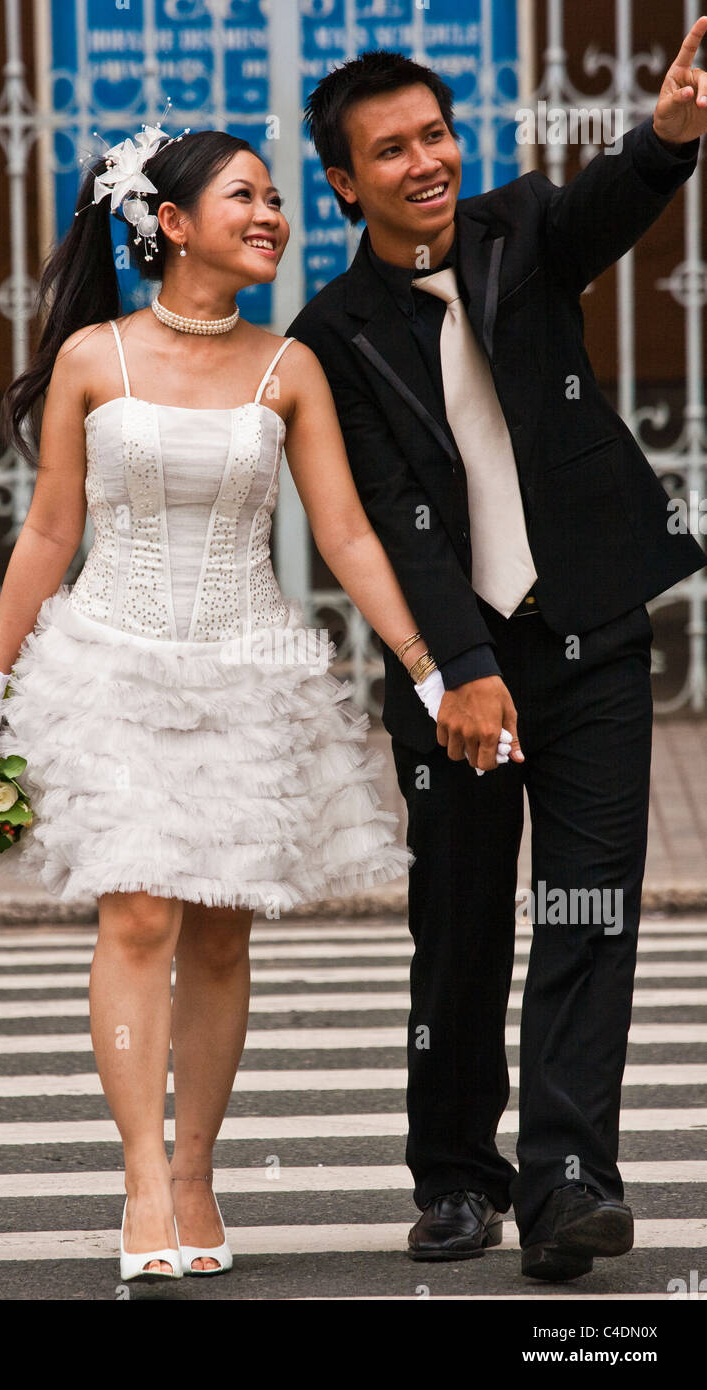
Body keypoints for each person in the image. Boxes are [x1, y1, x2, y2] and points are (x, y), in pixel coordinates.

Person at [0, 126, 508, 1283]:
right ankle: (143, 1180)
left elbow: (345, 532)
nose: (272, 215)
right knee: (139, 913)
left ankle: (196, 1171)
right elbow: (51, 528)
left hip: (248, 665)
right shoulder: (93, 358)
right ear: (169, 223)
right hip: (111, 659)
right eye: (243, 196)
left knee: (216, 926)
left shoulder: (287, 365)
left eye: (276, 197)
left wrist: (425, 663)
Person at [287, 24, 707, 1281]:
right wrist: (456, 672)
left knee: (588, 910)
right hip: (447, 669)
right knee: (459, 925)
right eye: (391, 150)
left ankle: (569, 1177)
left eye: (435, 135)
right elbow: (387, 531)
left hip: (589, 636)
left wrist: (667, 135)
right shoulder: (331, 334)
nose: (425, 161)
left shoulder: (519, 231)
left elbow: (605, 205)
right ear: (344, 182)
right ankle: (454, 1177)